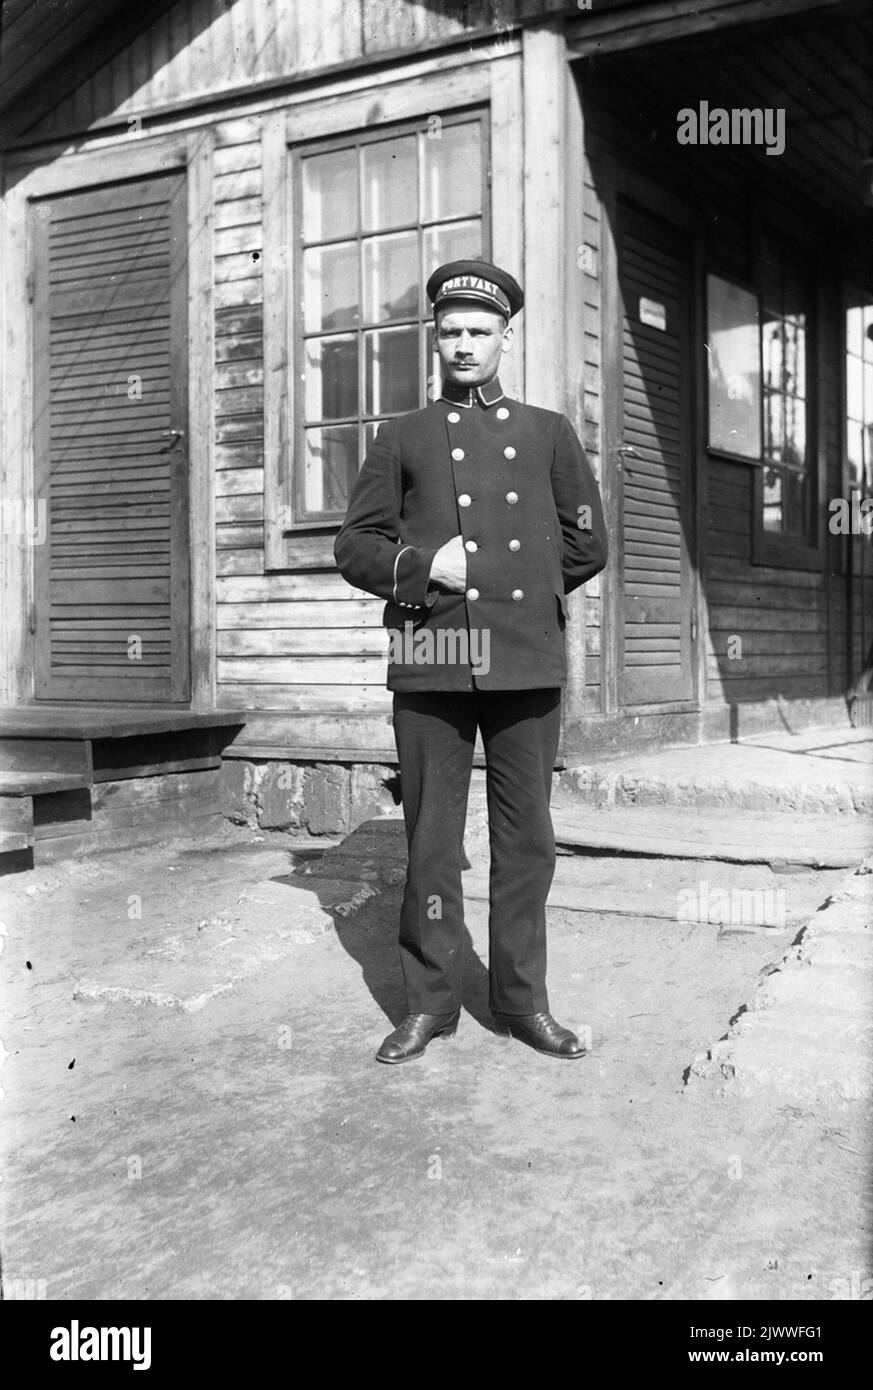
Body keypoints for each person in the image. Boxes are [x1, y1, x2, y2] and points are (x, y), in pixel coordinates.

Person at [334, 259, 608, 1064]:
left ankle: (523, 1004)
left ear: (504, 338)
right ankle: (429, 1003)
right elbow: (354, 546)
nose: (463, 345)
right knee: (430, 840)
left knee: (527, 841)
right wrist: (428, 571)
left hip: (524, 658)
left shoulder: (547, 431)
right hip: (432, 651)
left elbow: (588, 539)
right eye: (450, 331)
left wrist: (514, 588)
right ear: (434, 338)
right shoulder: (402, 435)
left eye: (478, 332)